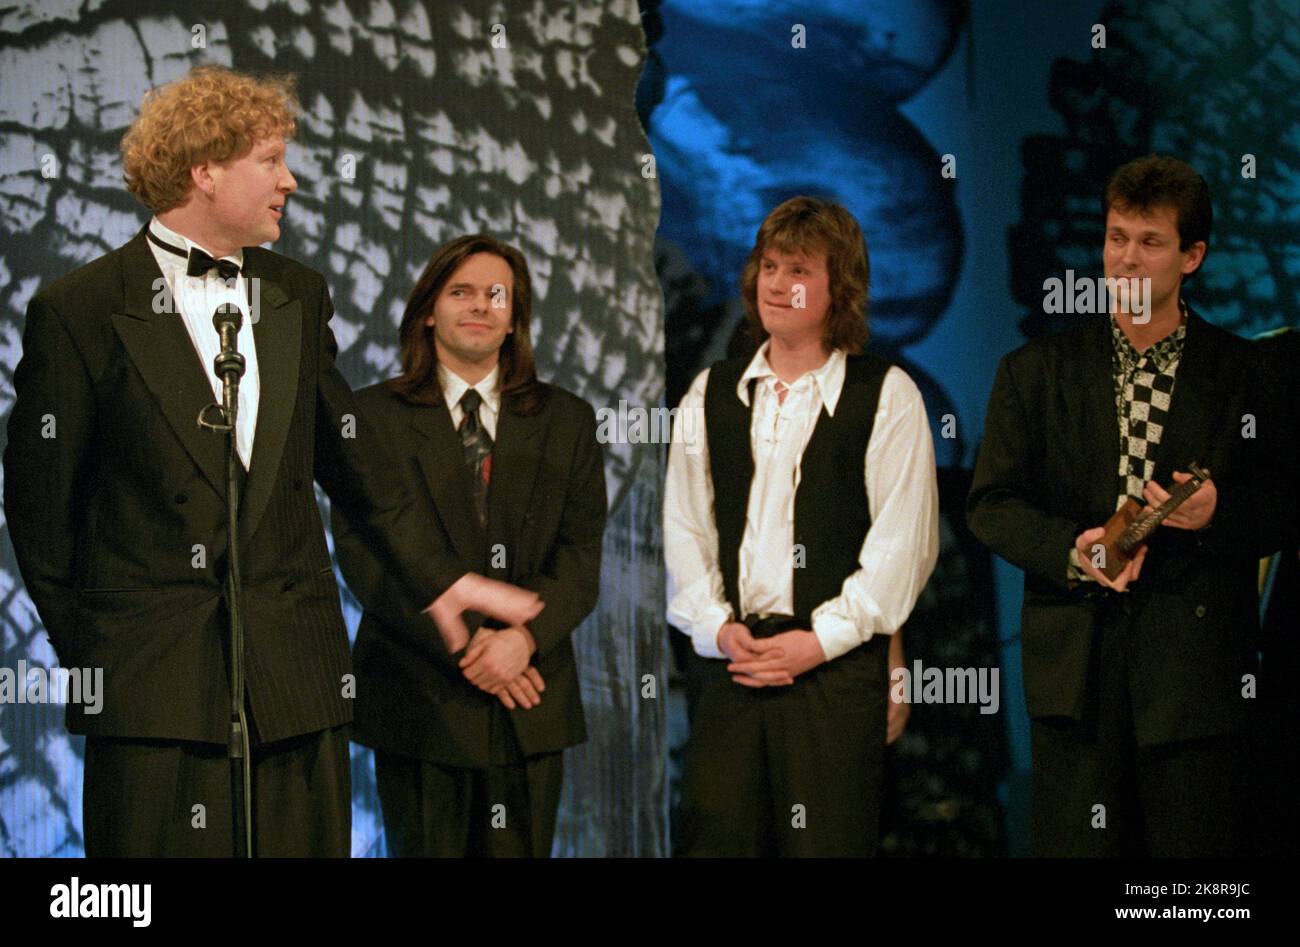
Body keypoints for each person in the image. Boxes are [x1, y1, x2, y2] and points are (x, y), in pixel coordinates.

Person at [3, 65, 538, 857]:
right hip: (153, 698)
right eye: (271, 159)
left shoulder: (297, 294)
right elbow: (40, 512)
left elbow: (355, 466)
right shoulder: (79, 311)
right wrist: (100, 651)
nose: (290, 180)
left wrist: (441, 577)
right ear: (205, 170)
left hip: (294, 687)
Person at [968, 154, 1286, 856]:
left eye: (1150, 241)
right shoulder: (1035, 371)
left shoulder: (1247, 374)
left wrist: (1217, 512)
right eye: (1117, 237)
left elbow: (1284, 501)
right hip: (1076, 683)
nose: (1127, 259)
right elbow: (991, 503)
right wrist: (1072, 550)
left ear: (1193, 255)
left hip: (1196, 685)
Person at [664, 196, 938, 856]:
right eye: (770, 265)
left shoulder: (886, 393)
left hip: (835, 675)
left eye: (800, 270)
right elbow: (687, 528)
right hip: (734, 665)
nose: (778, 283)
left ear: (839, 287)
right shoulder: (713, 392)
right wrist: (716, 627)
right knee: (716, 835)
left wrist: (819, 641)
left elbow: (903, 544)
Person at [331, 234, 606, 857]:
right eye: (461, 292)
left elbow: (581, 559)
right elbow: (362, 555)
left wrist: (520, 641)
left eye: (496, 294)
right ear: (428, 309)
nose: (480, 305)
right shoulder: (370, 417)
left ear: (515, 320)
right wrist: (469, 646)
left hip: (530, 695)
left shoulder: (567, 421)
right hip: (417, 697)